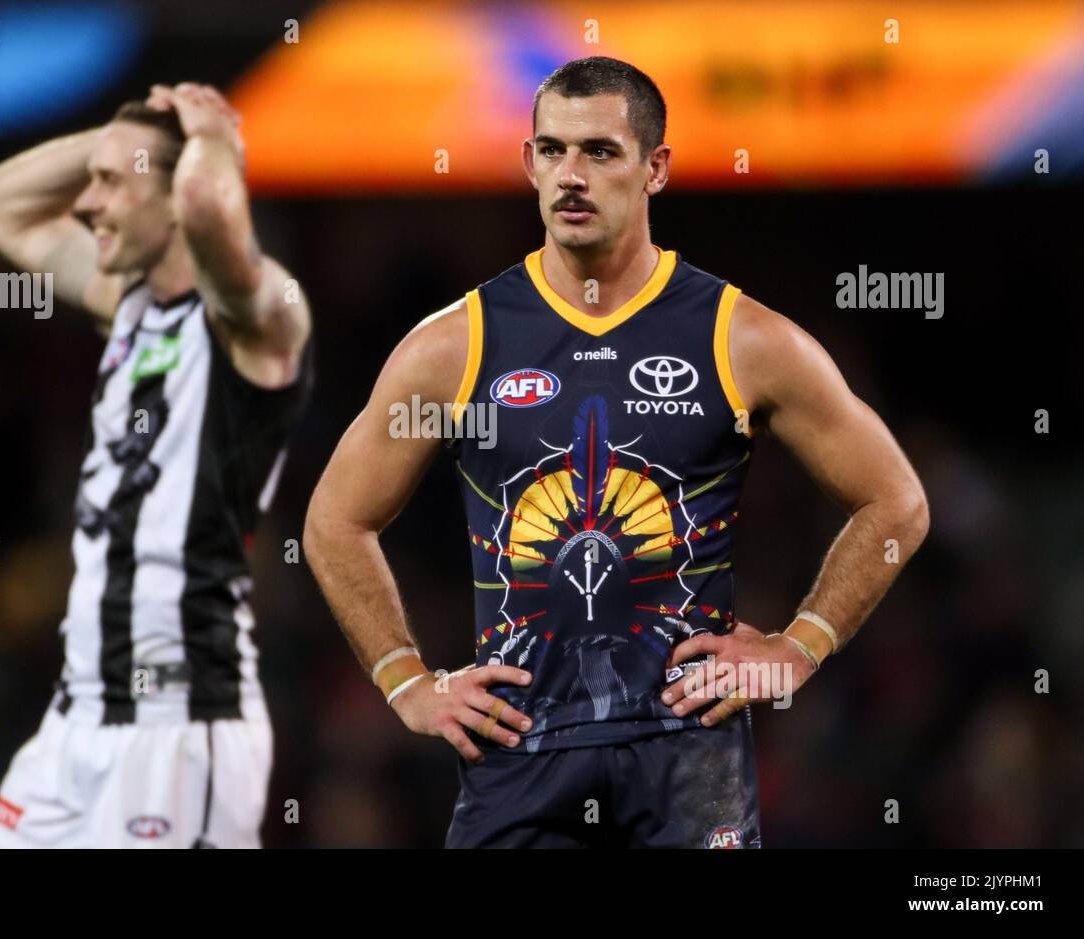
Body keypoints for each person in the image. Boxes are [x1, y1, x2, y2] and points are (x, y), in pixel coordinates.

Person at [303, 57, 928, 848]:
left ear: (655, 168)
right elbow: (333, 521)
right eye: (553, 150)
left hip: (687, 763)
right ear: (528, 162)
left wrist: (799, 645)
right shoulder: (456, 345)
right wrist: (405, 680)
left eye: (600, 151)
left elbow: (897, 501)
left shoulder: (742, 339)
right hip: (515, 758)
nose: (571, 175)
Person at [0, 82, 312, 847]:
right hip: (77, 714)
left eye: (111, 184)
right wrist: (120, 139)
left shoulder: (264, 323)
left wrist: (211, 137)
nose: (86, 204)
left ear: (179, 203)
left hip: (182, 722)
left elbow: (219, 218)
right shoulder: (126, 302)